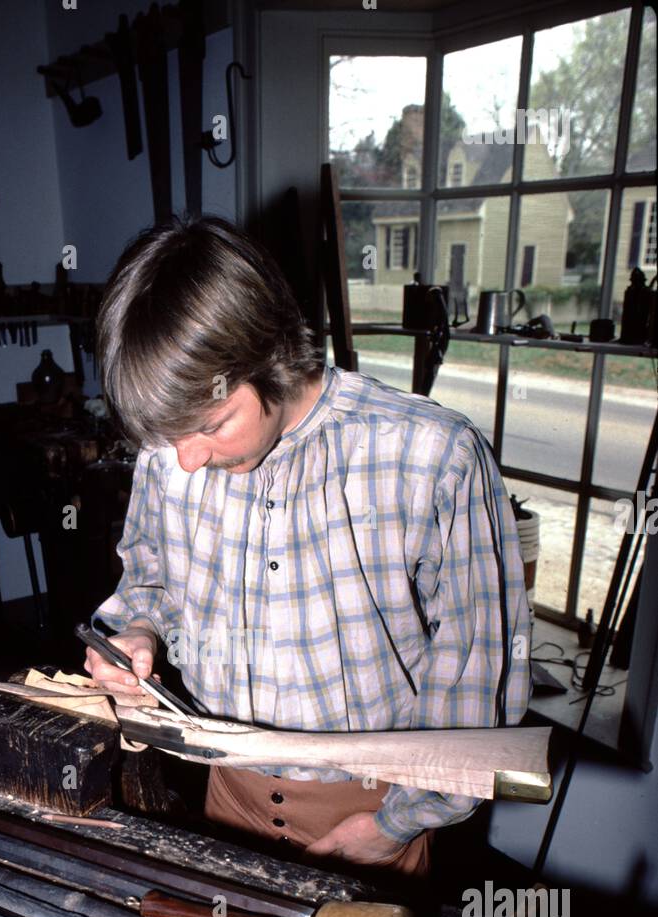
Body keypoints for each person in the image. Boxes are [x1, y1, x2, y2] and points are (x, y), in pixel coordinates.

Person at [84, 216, 531, 875]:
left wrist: (392, 827)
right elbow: (150, 578)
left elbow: (471, 673)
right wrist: (136, 635)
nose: (184, 460)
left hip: (373, 815)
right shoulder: (173, 454)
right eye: (167, 435)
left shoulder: (430, 456)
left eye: (210, 426)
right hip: (225, 794)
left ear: (269, 353)